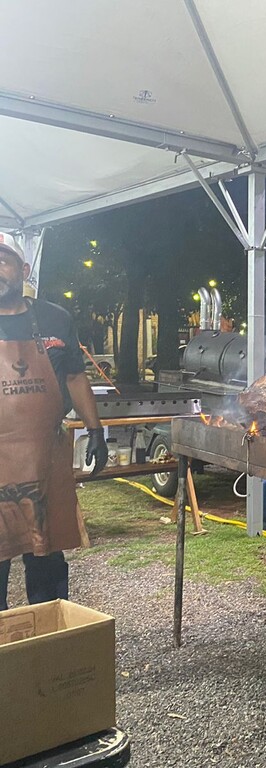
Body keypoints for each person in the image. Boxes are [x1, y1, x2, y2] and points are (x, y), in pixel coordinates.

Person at [0, 232, 108, 610]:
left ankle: (48, 647)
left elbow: (76, 378)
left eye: (3, 261)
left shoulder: (54, 318)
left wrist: (96, 430)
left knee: (46, 564)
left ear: (23, 269)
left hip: (43, 460)